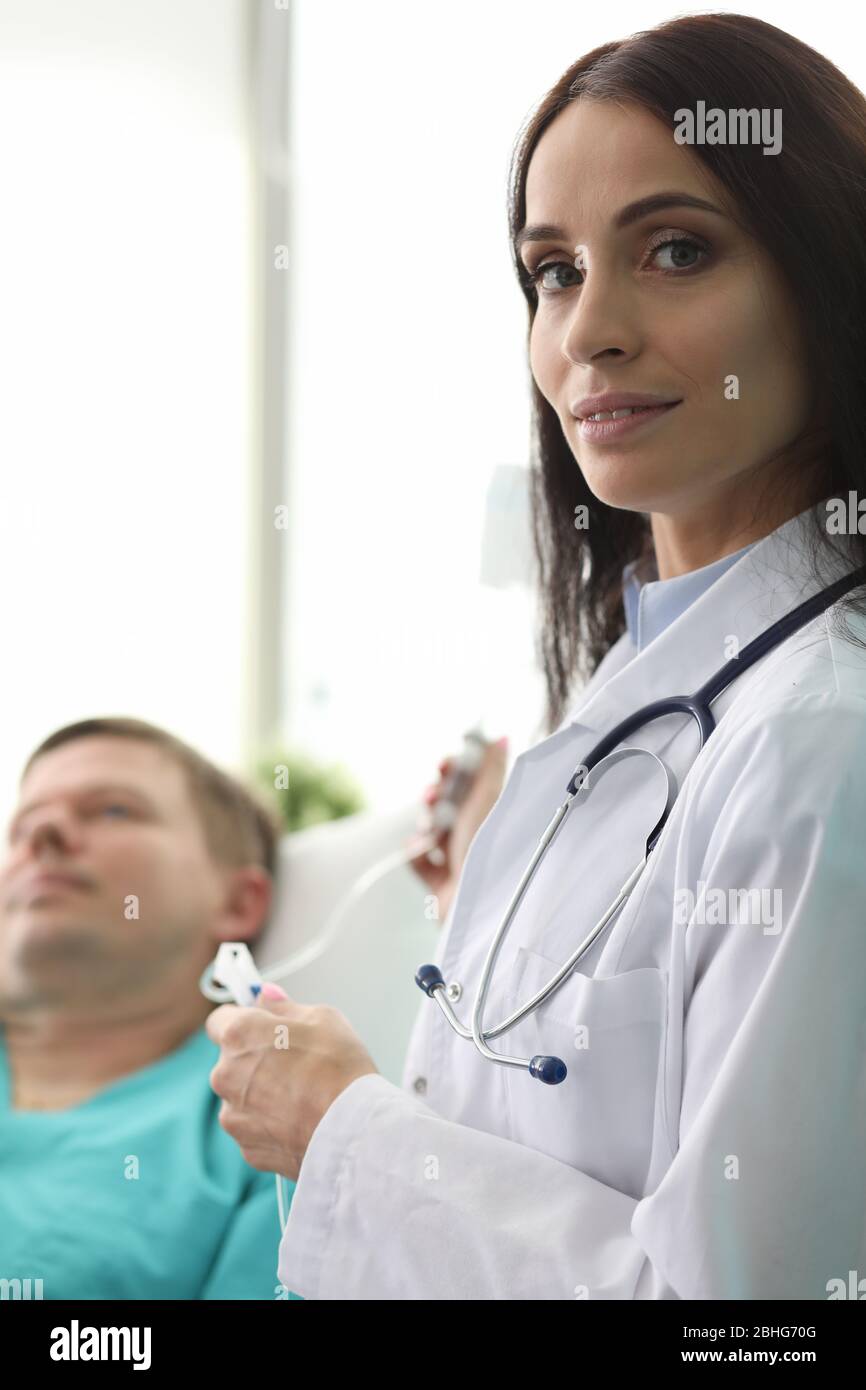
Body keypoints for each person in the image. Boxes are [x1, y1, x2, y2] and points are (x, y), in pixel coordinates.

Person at [205, 13, 866, 1299]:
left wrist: (344, 1132)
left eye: (675, 251)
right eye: (552, 271)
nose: (587, 333)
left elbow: (746, 1321)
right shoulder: (643, 698)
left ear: (830, 274)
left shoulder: (817, 743)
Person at [0, 716, 301, 1300]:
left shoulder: (272, 1136)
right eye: (20, 826)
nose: (44, 835)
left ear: (239, 901)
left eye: (113, 810)